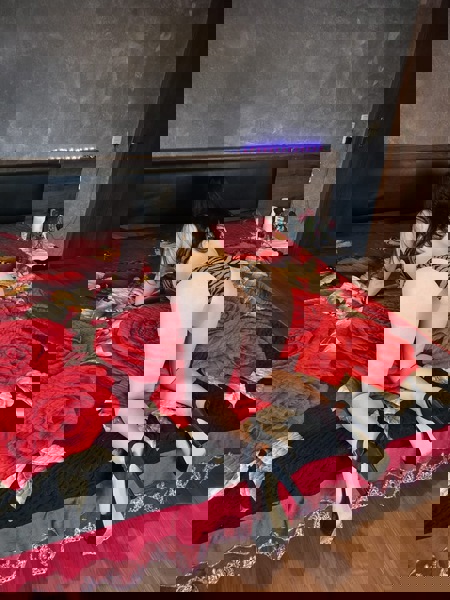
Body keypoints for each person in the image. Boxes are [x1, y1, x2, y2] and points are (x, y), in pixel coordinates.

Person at [340, 174, 450, 477]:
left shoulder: (429, 225)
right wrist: (366, 287)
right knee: (393, 365)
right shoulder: (427, 222)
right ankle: (365, 429)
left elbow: (400, 260)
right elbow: (396, 259)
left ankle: (371, 418)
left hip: (431, 303)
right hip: (419, 299)